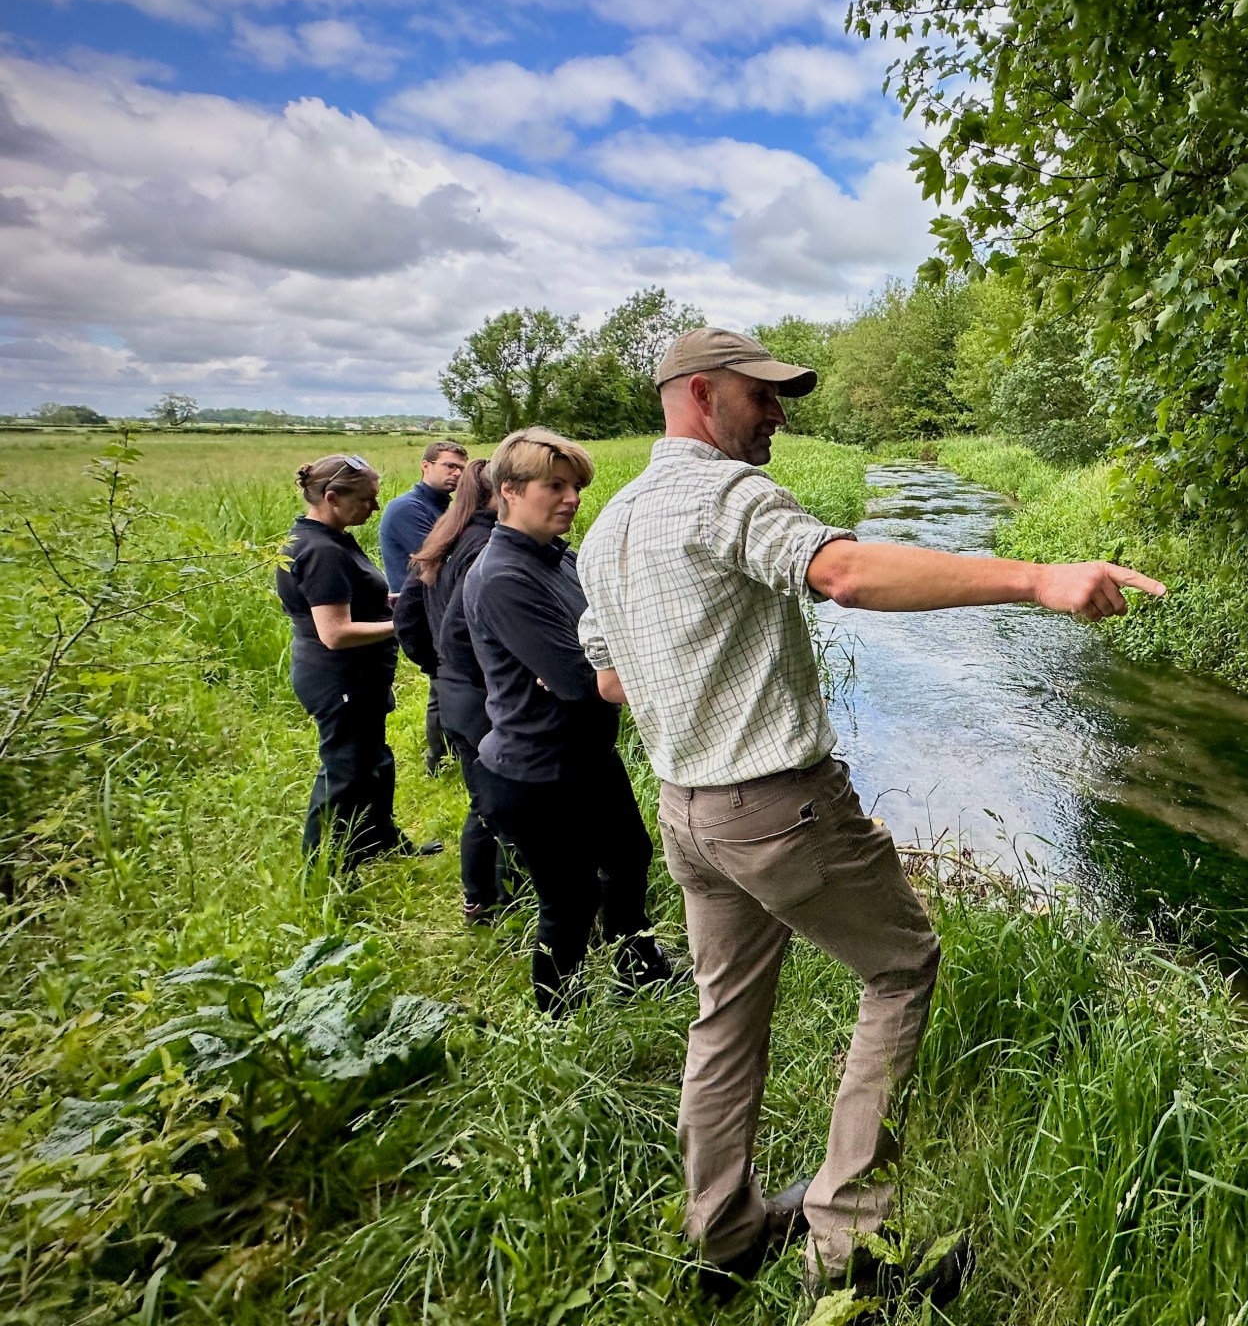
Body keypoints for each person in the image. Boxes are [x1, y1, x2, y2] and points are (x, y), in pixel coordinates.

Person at [575, 328, 1163, 1305]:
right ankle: (845, 1250)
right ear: (697, 394)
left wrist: (700, 676)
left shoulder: (610, 525)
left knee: (723, 1017)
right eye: (759, 396)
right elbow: (842, 574)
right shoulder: (727, 496)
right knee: (900, 967)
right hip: (774, 807)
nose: (776, 412)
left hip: (686, 813)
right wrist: (1038, 579)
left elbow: (607, 679)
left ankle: (719, 1234)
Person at [463, 427, 676, 1014]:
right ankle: (560, 1015)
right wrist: (591, 668)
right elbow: (584, 680)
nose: (572, 498)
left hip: (587, 756)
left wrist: (597, 660)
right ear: (508, 491)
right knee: (570, 900)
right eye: (554, 486)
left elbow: (611, 634)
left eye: (576, 486)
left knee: (631, 858)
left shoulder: (559, 558)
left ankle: (639, 967)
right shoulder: (504, 576)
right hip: (535, 771)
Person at [276, 454, 444, 868]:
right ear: (332, 497)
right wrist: (403, 625)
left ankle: (378, 837)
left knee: (374, 759)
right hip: (339, 678)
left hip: (358, 676)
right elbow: (335, 632)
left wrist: (388, 602)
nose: (374, 508)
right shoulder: (321, 551)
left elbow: (348, 600)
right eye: (367, 500)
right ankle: (324, 867)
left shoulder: (326, 538)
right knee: (344, 771)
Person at [393, 458, 519, 924]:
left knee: (482, 799)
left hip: (455, 692)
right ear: (502, 492)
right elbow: (458, 631)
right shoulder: (490, 547)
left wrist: (439, 671)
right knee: (496, 803)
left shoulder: (443, 538)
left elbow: (407, 617)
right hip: (486, 693)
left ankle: (485, 896)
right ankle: (490, 897)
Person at [379, 439, 469, 773]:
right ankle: (441, 758)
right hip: (416, 604)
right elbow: (441, 555)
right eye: (449, 466)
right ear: (425, 466)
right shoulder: (408, 508)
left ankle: (450, 751)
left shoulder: (441, 506)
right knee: (440, 678)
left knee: (445, 676)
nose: (456, 474)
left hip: (433, 598)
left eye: (461, 467)